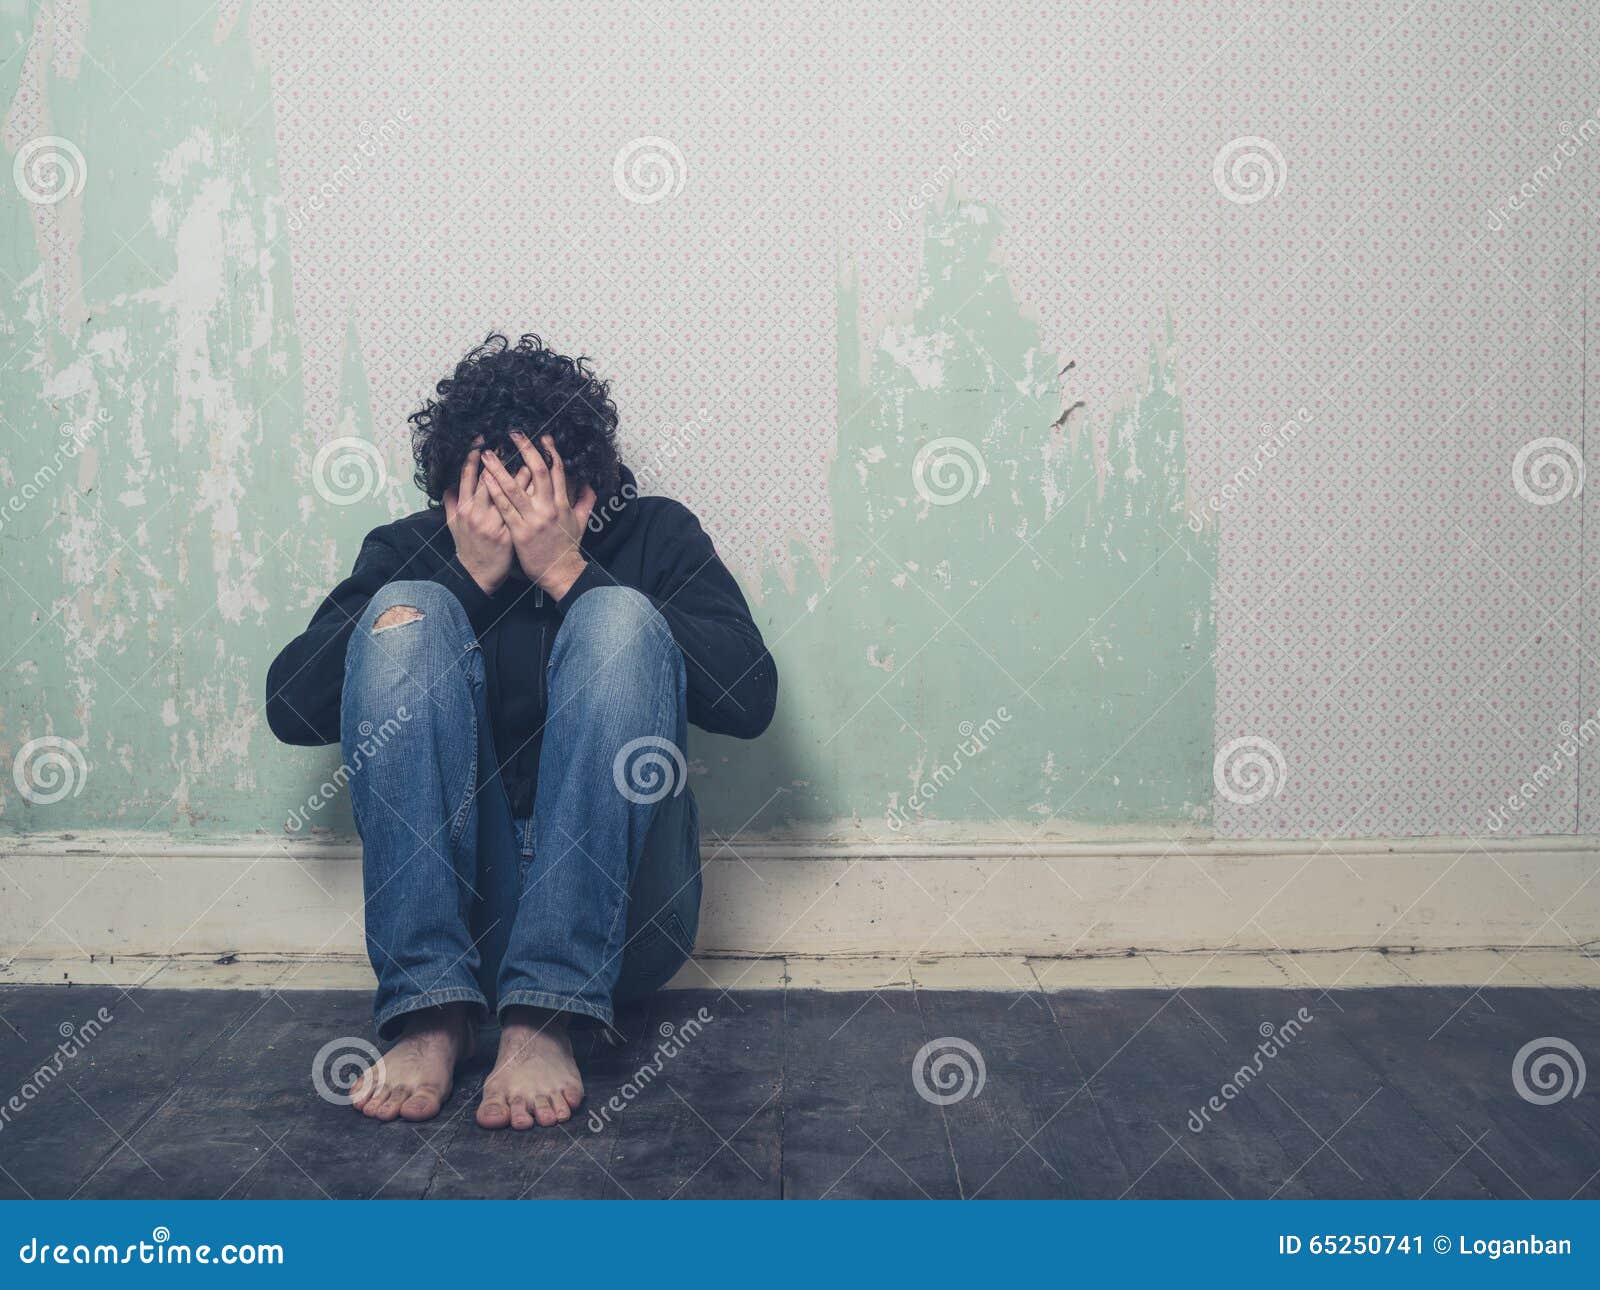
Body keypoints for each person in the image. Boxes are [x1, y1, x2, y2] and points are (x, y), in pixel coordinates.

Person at [265, 334, 777, 1129]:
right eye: (485, 486)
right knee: (405, 612)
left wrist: (569, 571)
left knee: (618, 616)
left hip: (627, 922)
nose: (509, 509)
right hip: (464, 920)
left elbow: (750, 700)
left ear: (585, 485)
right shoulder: (412, 549)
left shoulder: (654, 534)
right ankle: (429, 1014)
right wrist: (464, 576)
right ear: (450, 491)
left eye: (532, 483)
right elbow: (292, 707)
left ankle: (546, 1015)